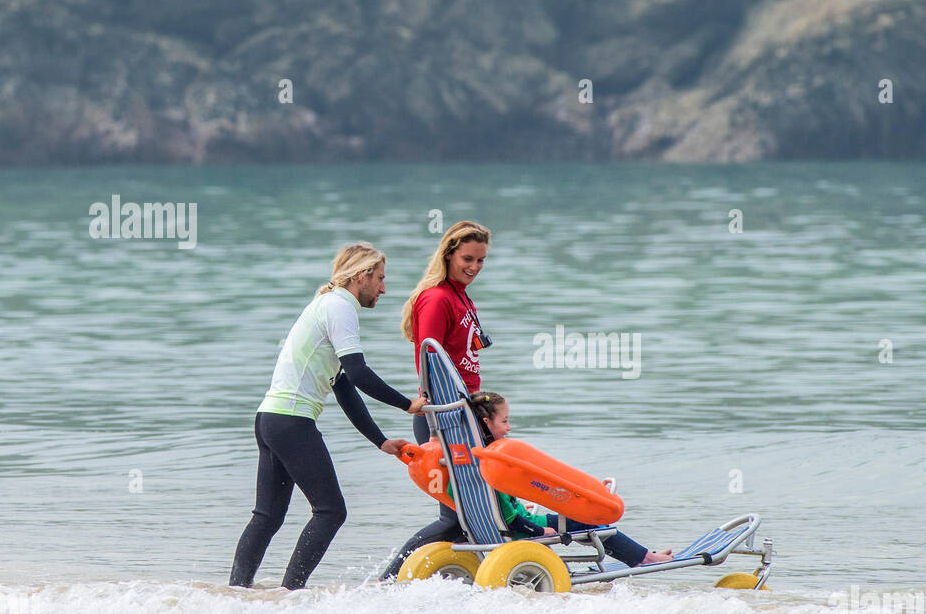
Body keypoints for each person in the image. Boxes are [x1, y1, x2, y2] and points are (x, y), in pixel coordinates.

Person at [230, 242, 424, 590]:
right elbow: (360, 373)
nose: (383, 288)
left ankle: (236, 594)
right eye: (380, 278)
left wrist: (381, 441)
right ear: (362, 276)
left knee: (267, 517)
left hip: (270, 419)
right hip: (291, 422)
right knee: (331, 511)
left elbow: (345, 386)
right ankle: (291, 593)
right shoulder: (340, 306)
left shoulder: (325, 305)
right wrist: (407, 404)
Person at [389, 390, 673, 573]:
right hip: (519, 530)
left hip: (500, 529)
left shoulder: (462, 465)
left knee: (574, 512)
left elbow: (505, 508)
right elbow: (510, 519)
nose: (509, 427)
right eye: (505, 421)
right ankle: (643, 558)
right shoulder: (489, 467)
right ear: (486, 424)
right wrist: (541, 529)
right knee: (593, 521)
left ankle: (641, 554)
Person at [380, 222, 492, 579]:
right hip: (442, 416)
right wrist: (449, 410)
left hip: (464, 413)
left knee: (472, 515)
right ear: (448, 255)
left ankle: (452, 579)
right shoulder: (437, 297)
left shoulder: (462, 295)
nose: (474, 267)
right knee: (455, 518)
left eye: (481, 260)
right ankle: (388, 580)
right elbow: (429, 361)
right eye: (467, 259)